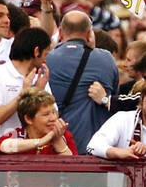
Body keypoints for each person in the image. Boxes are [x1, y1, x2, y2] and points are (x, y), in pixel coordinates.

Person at [45, 12, 118, 152]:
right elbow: (114, 99)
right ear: (90, 33)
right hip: (94, 149)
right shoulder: (106, 59)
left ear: (60, 32)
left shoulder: (46, 59)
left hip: (55, 147)